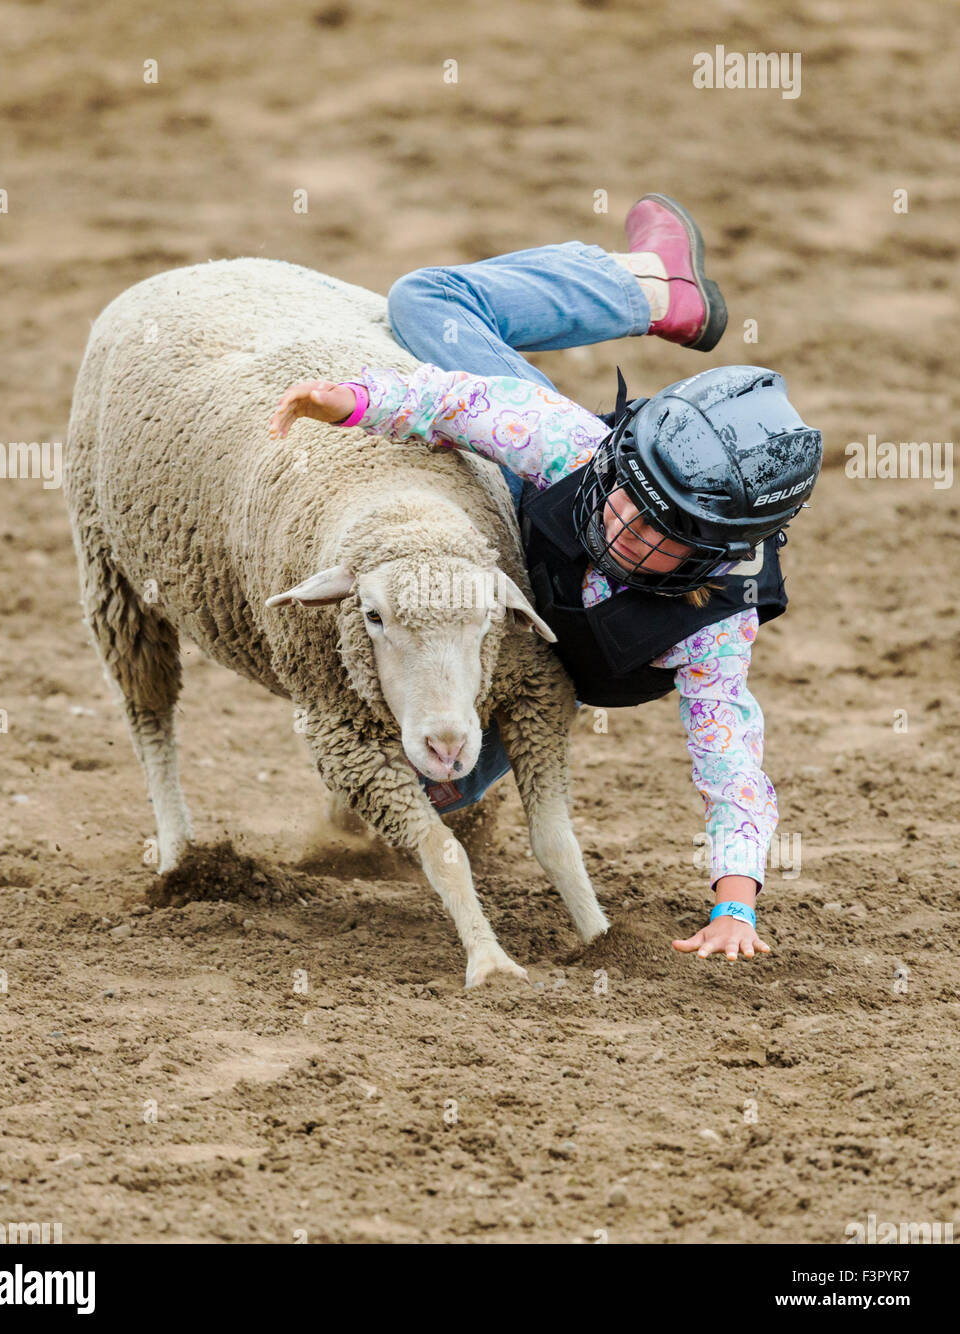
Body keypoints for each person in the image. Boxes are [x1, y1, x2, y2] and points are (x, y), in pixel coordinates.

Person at [269, 194, 823, 963]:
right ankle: (654, 288)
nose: (623, 526)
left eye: (660, 534)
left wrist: (736, 907)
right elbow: (456, 403)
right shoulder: (576, 446)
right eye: (631, 495)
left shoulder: (714, 630)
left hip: (562, 665)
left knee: (441, 785)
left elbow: (730, 764)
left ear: (710, 556)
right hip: (512, 572)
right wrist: (355, 400)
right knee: (426, 299)